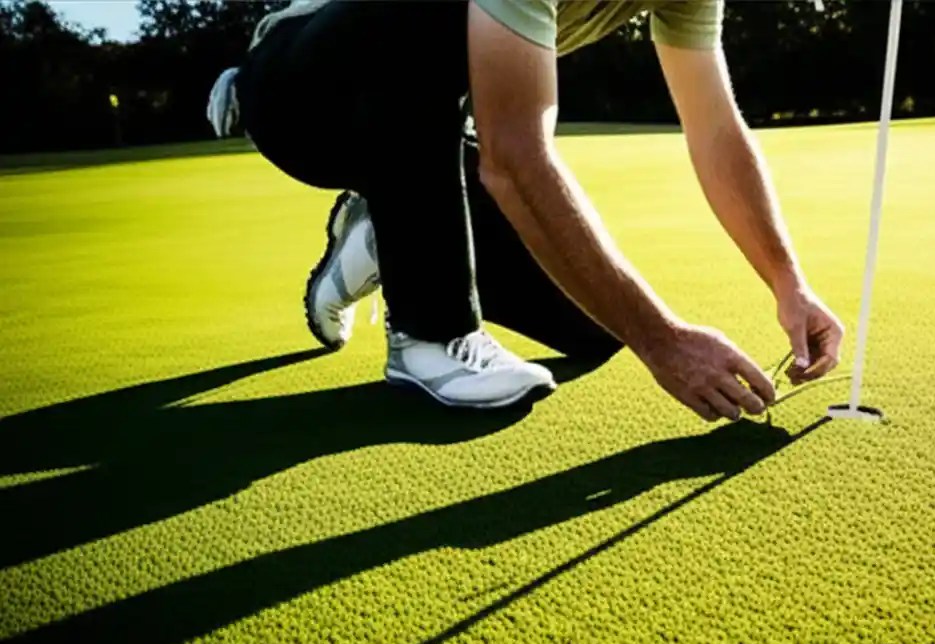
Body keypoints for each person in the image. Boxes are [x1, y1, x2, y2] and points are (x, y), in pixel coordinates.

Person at [207, 0, 845, 420]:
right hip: (306, 99)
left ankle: (384, 236)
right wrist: (664, 340)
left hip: (417, 136)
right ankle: (429, 333)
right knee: (425, 18)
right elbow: (513, 156)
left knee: (595, 328)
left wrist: (788, 282)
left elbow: (714, 129)